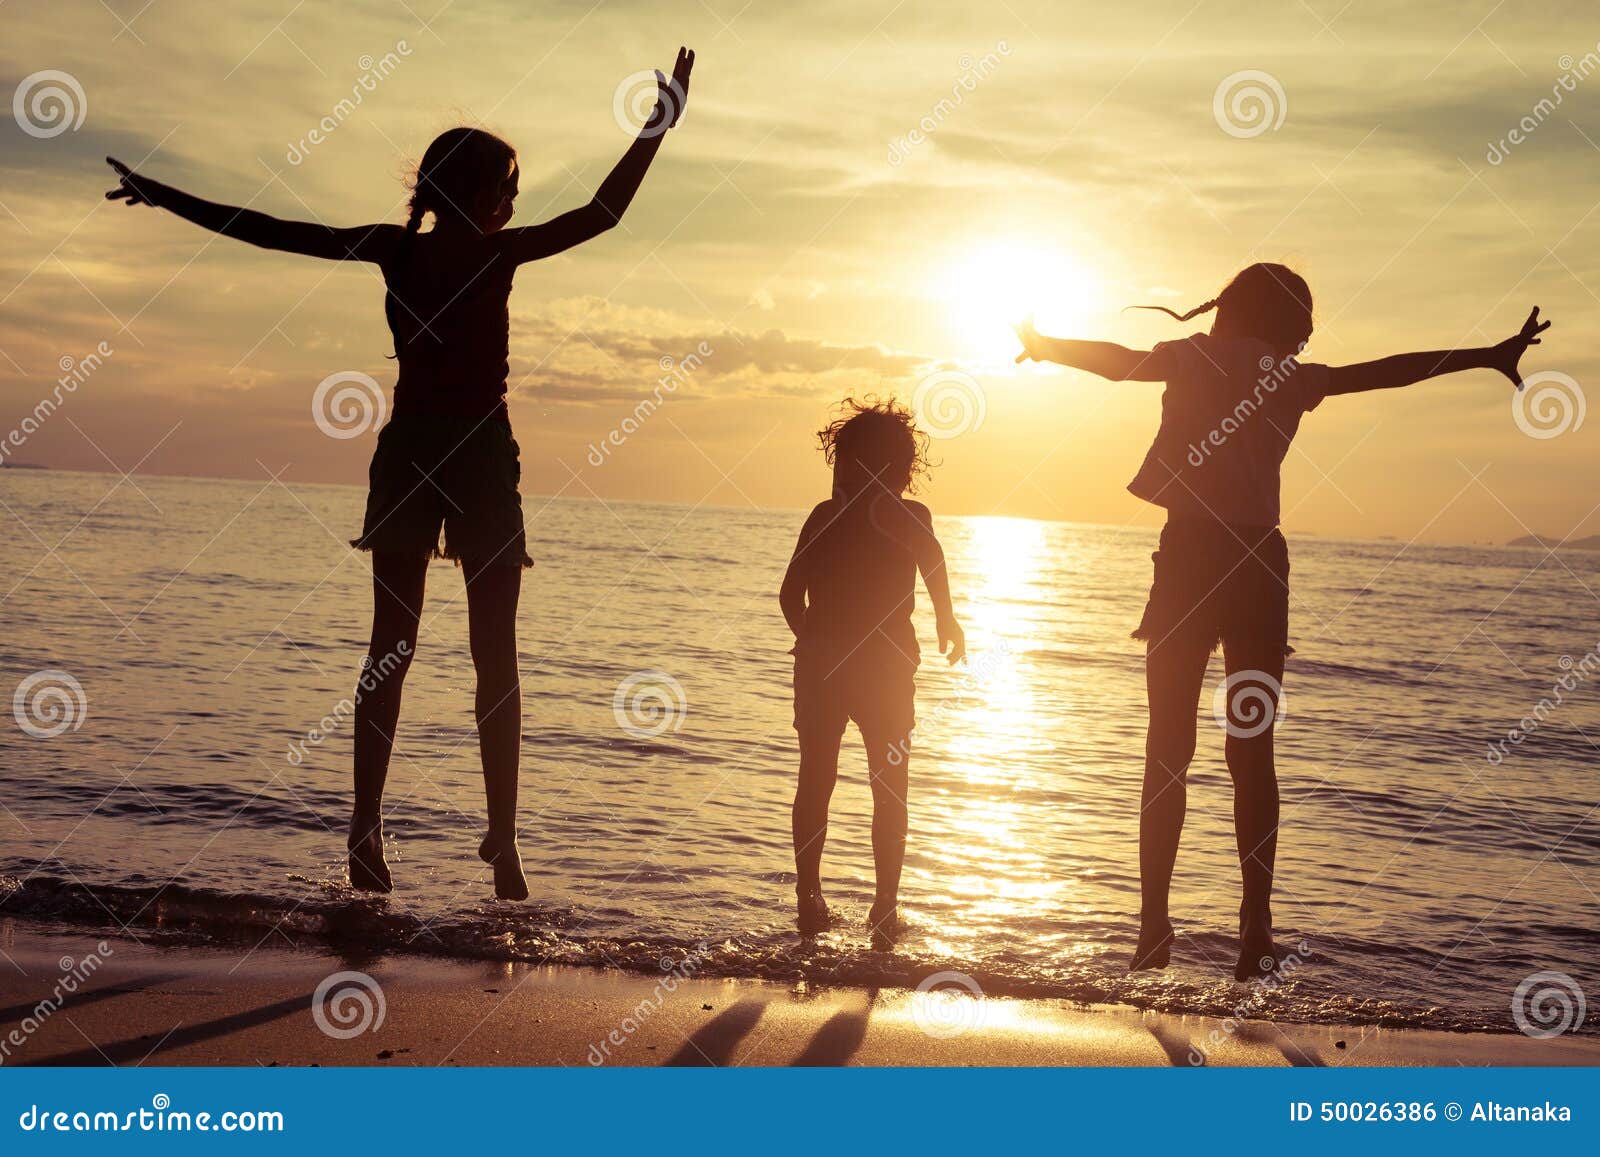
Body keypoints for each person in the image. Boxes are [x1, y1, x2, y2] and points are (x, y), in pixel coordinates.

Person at [104, 48, 697, 901]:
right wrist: (657, 125)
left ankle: (393, 829)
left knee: (398, 646)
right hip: (462, 454)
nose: (515, 205)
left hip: (433, 451)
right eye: (509, 190)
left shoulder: (407, 251)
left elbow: (267, 228)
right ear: (483, 194)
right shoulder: (478, 254)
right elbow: (602, 213)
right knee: (482, 654)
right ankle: (479, 835)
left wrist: (167, 196)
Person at [1015, 263, 1549, 978]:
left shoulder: (1191, 355)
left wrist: (1048, 345)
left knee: (1166, 747)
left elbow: (1118, 364)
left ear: (1231, 306)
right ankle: (1255, 925)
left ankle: (1152, 924)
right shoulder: (1292, 378)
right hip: (1260, 568)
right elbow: (1393, 371)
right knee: (1252, 752)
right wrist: (1486, 355)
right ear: (1288, 320)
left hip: (1189, 558)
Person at [780, 398, 967, 949]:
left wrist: (811, 641)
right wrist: (947, 619)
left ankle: (812, 898)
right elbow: (931, 557)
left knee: (817, 780)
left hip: (831, 669)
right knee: (888, 789)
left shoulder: (830, 516)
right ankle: (882, 906)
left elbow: (791, 595)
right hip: (882, 671)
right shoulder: (904, 517)